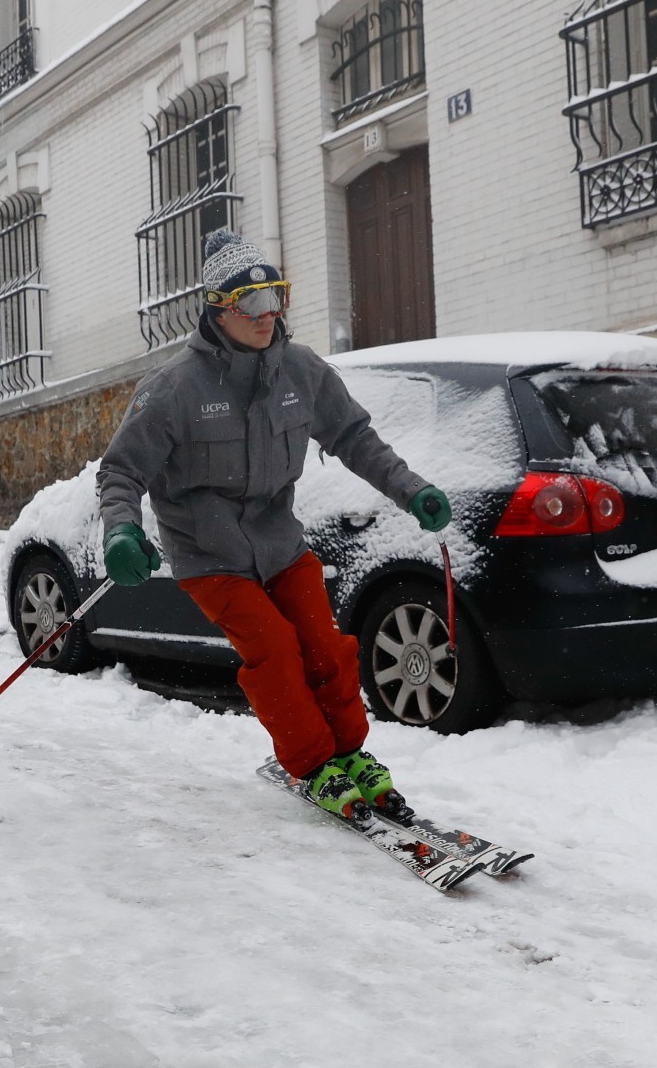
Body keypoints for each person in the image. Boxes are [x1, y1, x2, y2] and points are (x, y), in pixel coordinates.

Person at [96, 229, 452, 821]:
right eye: (252, 304)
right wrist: (120, 531)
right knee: (276, 650)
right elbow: (121, 472)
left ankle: (349, 752)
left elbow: (354, 438)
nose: (269, 315)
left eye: (276, 297)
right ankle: (313, 763)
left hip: (280, 543)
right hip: (208, 555)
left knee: (325, 644)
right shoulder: (171, 391)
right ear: (218, 309)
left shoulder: (301, 370)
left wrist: (410, 489)